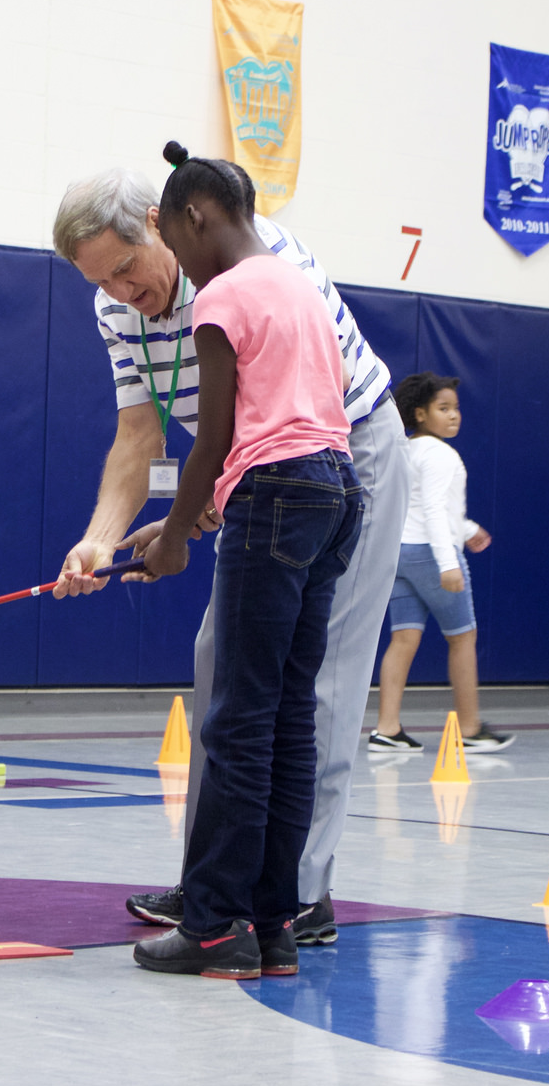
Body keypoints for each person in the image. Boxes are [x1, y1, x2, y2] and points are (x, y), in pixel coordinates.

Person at [49, 162, 407, 946]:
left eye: (125, 267)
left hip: (347, 451)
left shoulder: (258, 260)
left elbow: (291, 421)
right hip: (257, 472)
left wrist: (183, 525)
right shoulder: (117, 314)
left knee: (319, 678)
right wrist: (100, 539)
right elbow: (140, 435)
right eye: (99, 281)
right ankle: (218, 880)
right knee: (227, 661)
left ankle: (297, 893)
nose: (119, 292)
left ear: (159, 222)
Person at [126, 142, 363, 979]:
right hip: (338, 493)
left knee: (236, 718)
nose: (179, 268)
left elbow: (218, 435)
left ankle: (215, 921)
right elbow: (305, 417)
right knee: (289, 717)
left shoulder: (221, 296)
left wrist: (178, 531)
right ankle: (275, 925)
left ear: (196, 215)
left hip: (276, 497)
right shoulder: (300, 283)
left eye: (176, 245)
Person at [370, 372, 512, 753]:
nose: (454, 416)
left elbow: (417, 505)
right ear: (419, 413)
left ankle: (387, 728)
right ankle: (469, 728)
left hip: (397, 553)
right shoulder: (443, 455)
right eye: (443, 408)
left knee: (403, 639)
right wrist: (448, 562)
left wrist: (466, 527)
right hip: (432, 555)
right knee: (463, 638)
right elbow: (433, 508)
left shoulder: (406, 449)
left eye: (456, 408)